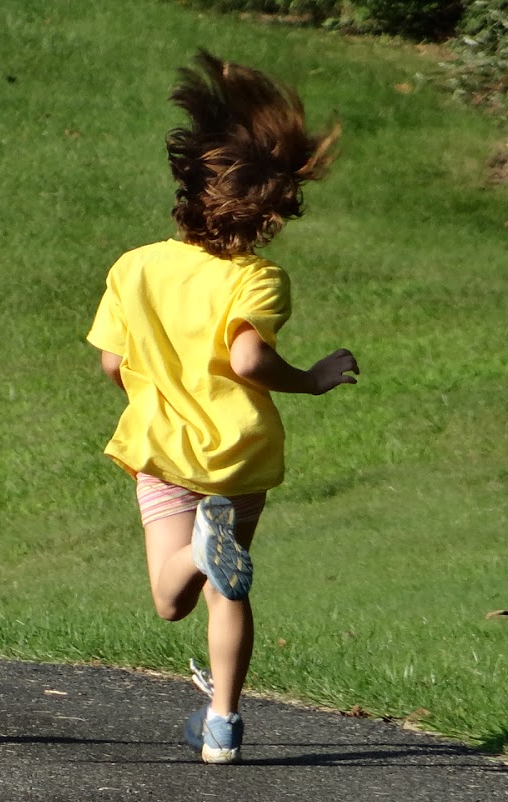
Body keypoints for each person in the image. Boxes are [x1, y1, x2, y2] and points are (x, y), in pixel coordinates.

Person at [87, 51, 357, 763]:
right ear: (267, 212)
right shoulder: (260, 279)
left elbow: (113, 364)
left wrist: (153, 389)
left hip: (163, 449)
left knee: (170, 598)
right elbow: (247, 360)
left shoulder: (136, 267)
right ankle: (222, 726)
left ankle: (206, 551)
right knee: (224, 590)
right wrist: (312, 379)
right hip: (239, 454)